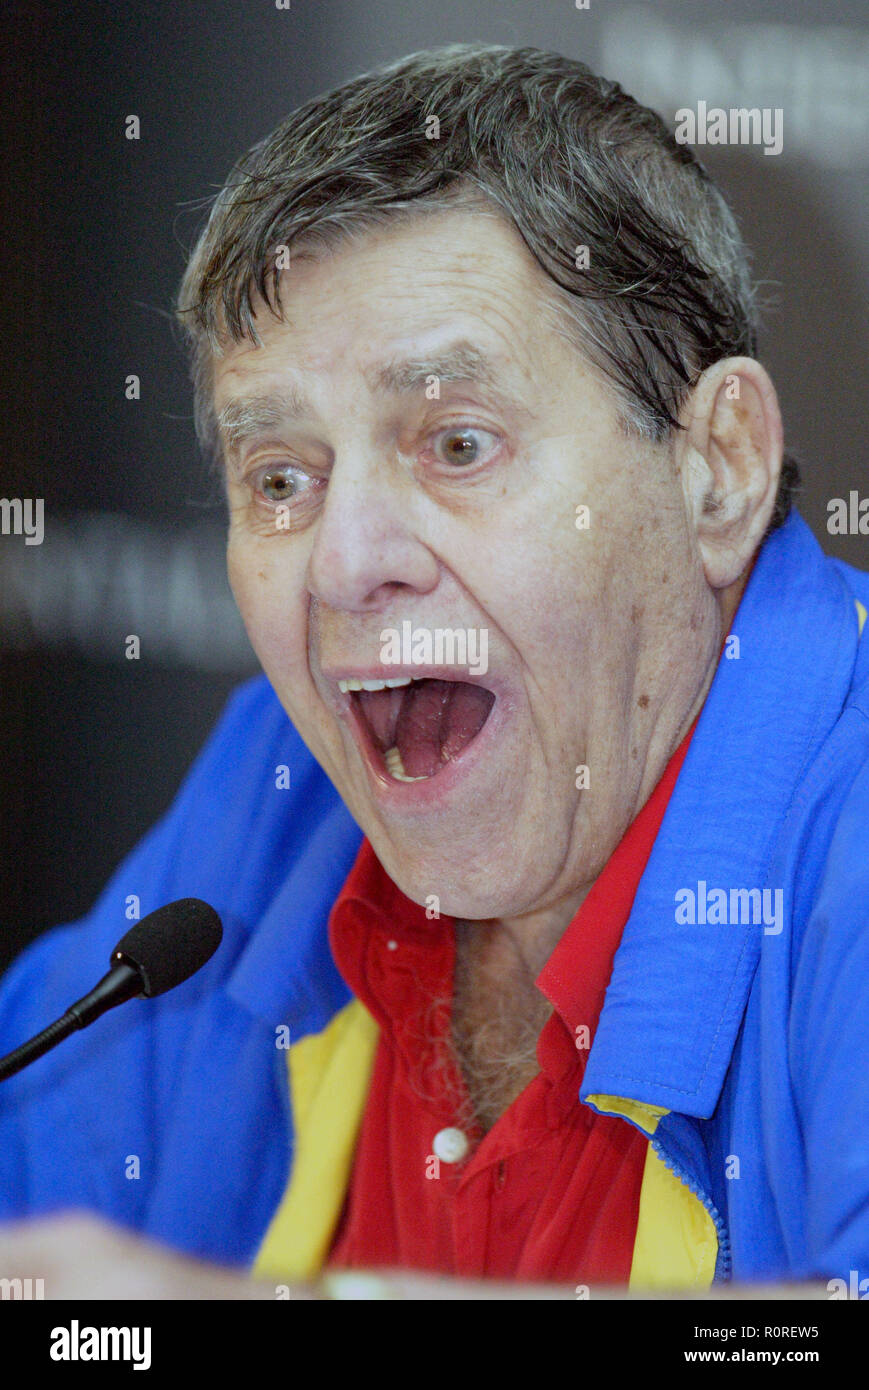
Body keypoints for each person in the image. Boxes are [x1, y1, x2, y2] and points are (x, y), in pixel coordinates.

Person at [0, 43, 867, 1299]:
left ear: (713, 467)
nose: (344, 563)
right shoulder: (278, 791)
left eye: (456, 443)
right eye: (281, 480)